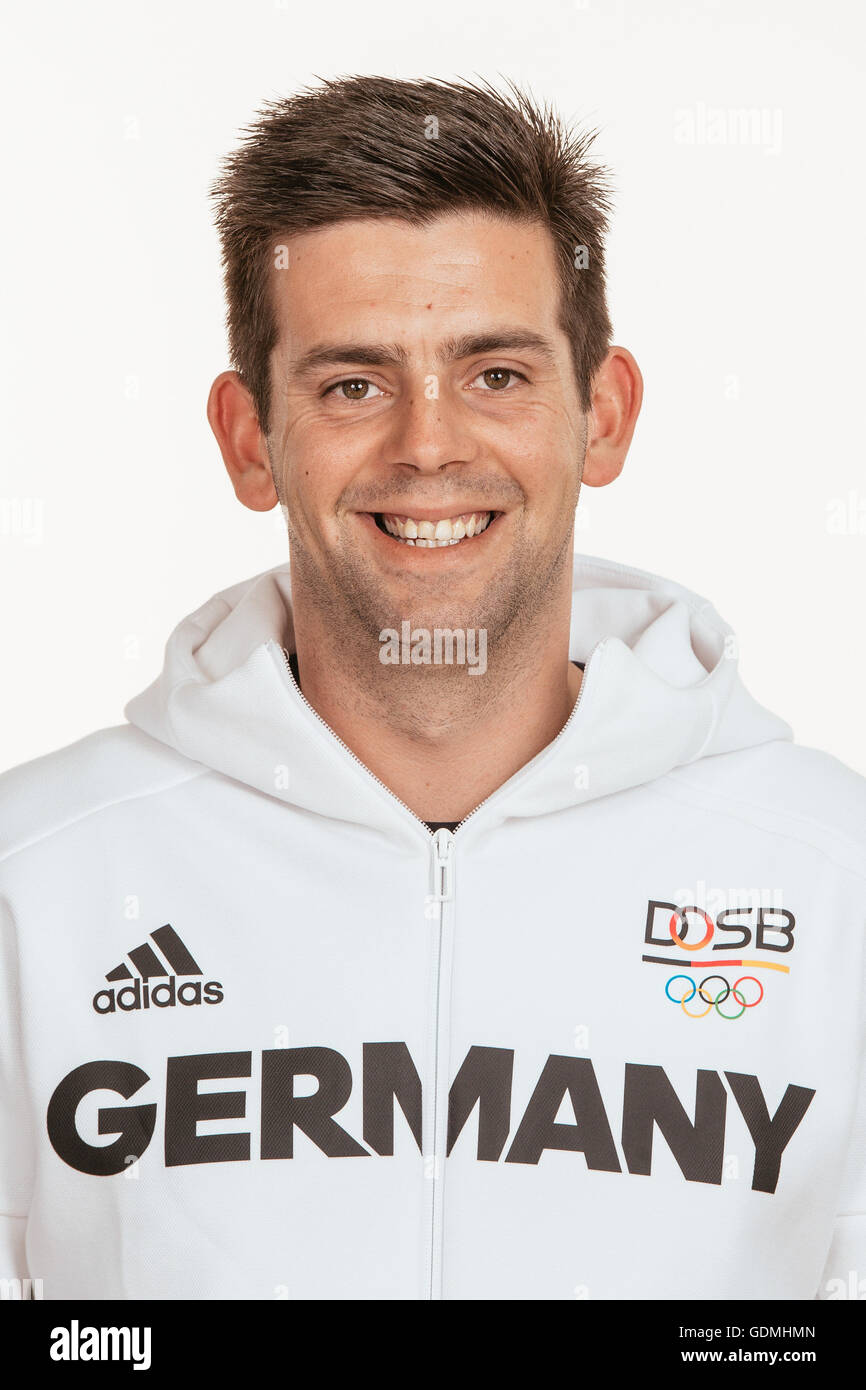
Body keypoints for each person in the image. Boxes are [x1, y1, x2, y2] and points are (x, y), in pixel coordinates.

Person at [1, 74, 864, 1302]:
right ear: (249, 438)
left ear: (602, 414)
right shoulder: (36, 880)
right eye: (351, 383)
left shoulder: (834, 882)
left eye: (495, 374)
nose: (427, 445)